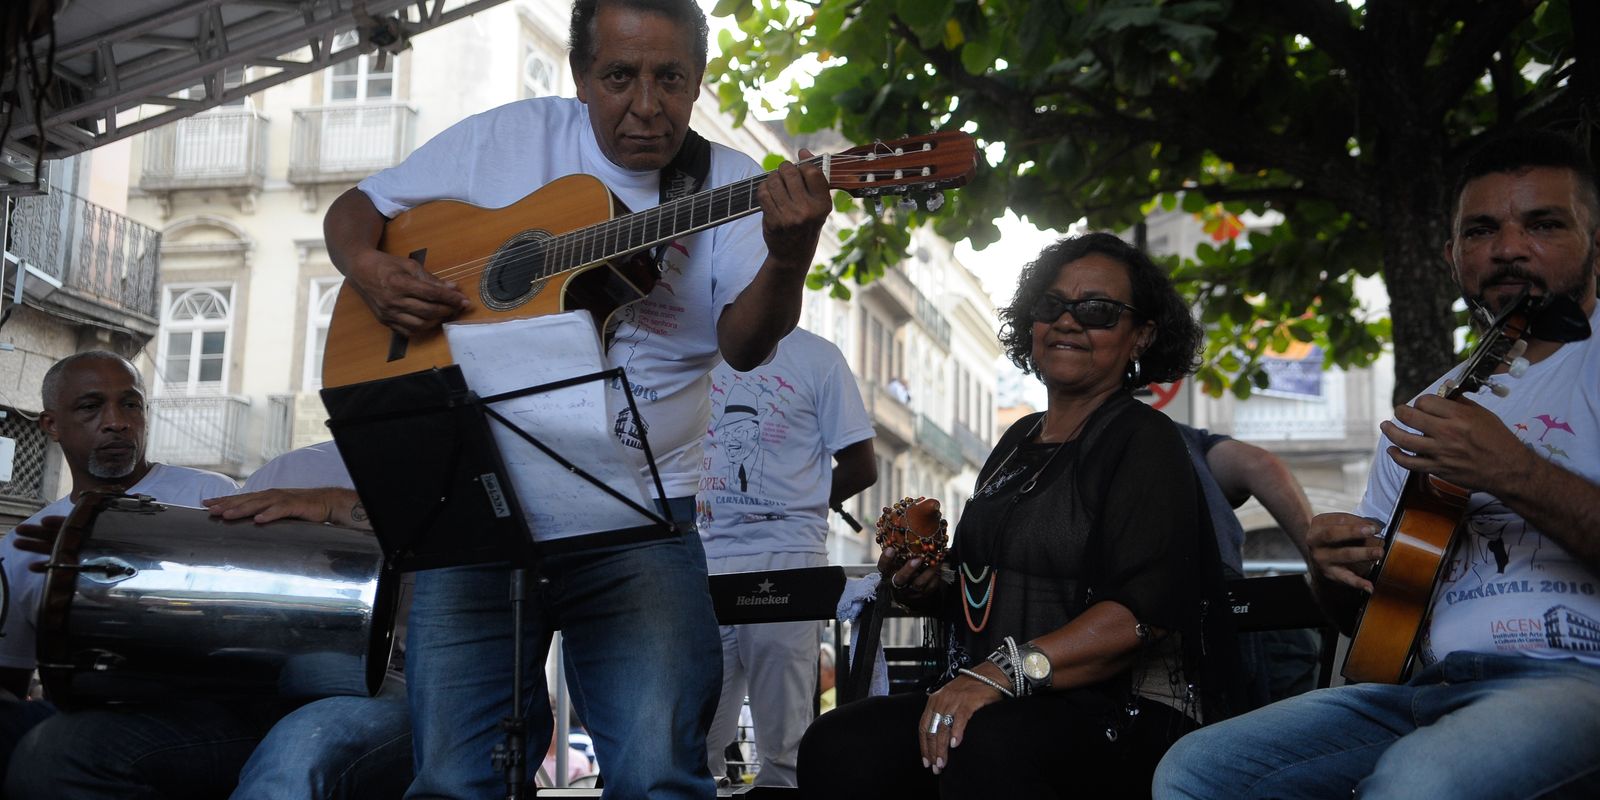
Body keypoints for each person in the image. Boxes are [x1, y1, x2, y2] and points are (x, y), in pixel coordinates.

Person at [320, 0, 833, 795]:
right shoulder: (513, 136)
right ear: (581, 78)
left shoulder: (731, 185)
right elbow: (357, 207)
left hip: (639, 515)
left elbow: (744, 344)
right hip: (476, 506)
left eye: (670, 79)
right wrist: (369, 267)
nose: (646, 105)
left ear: (697, 82)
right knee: (455, 780)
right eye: (620, 77)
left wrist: (789, 258)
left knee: (657, 775)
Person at [1153, 130, 1600, 798]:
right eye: (1481, 230)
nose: (1508, 247)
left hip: (1577, 679)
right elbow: (1376, 631)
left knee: (1420, 782)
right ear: (1453, 256)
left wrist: (1513, 471)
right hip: (1426, 693)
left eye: (1542, 224)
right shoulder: (1432, 406)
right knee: (1197, 772)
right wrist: (1330, 570)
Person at [798, 233, 1236, 797]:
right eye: (1051, 306)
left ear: (1141, 336)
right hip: (996, 697)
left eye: (1098, 311)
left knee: (979, 745)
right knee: (838, 745)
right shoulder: (1017, 439)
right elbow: (986, 591)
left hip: (1114, 711)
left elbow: (1140, 615)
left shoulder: (1143, 439)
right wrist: (928, 582)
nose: (1068, 322)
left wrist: (1001, 675)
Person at [1, 351, 243, 797]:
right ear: (50, 425)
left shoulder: (210, 498)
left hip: (204, 720)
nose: (116, 421)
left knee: (56, 751)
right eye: (91, 407)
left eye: (130, 404)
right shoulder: (22, 545)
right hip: (77, 716)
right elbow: (10, 683)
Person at [697, 326, 876, 787]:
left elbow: (863, 464)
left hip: (786, 559)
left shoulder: (818, 357)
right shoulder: (693, 345)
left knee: (783, 747)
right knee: (693, 745)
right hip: (699, 558)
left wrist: (799, 504)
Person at [202, 441, 414, 800]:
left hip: (406, 691)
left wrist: (334, 504)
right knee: (94, 739)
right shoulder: (287, 471)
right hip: (263, 686)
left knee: (301, 747)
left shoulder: (468, 469)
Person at [1179, 425, 1321, 704]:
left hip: (1159, 601)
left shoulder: (1082, 434)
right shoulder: (1181, 436)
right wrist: (1318, 565)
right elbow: (1260, 464)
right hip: (1228, 591)